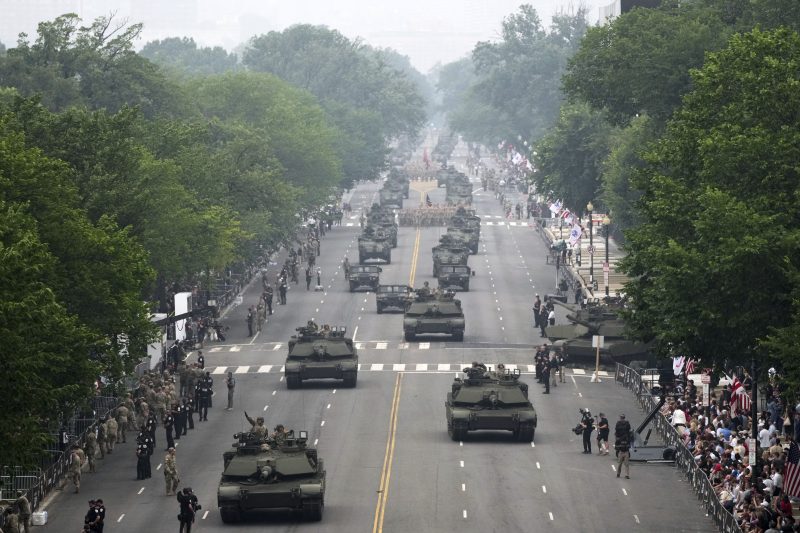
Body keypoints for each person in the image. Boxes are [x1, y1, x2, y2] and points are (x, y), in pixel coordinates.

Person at [615, 414, 632, 478]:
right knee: (625, 464)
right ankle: (622, 474)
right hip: (625, 451)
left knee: (621, 464)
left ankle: (625, 474)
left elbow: (616, 431)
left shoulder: (618, 424)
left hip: (622, 451)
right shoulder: (627, 424)